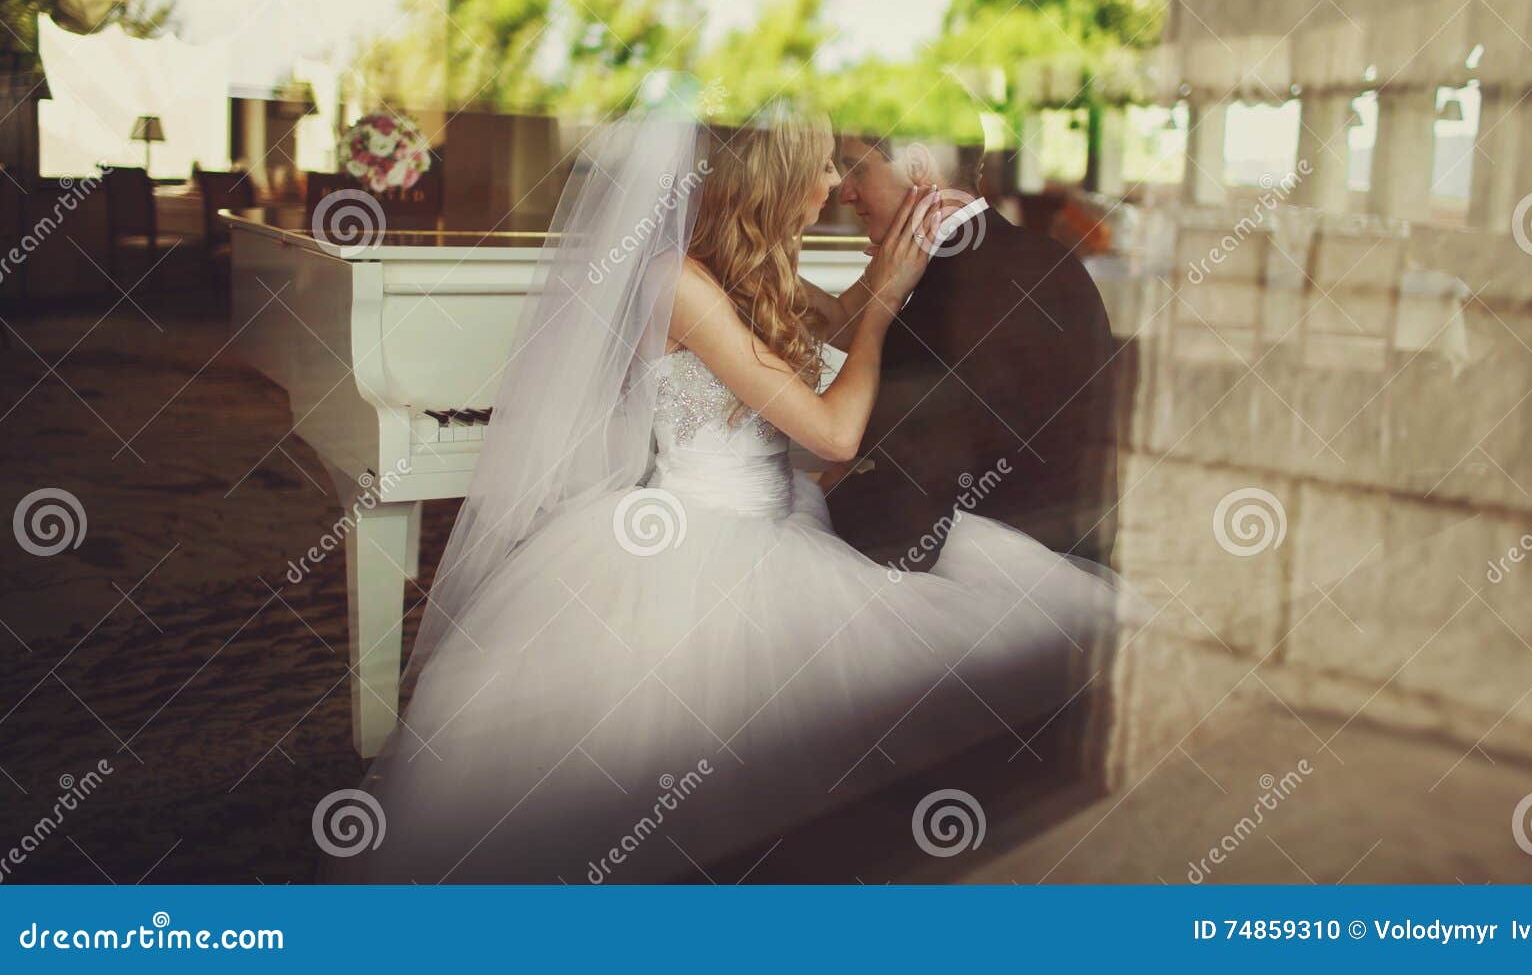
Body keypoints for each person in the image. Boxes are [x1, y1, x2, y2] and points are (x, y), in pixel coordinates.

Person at [319, 104, 1135, 885]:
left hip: (779, 522)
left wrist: (890, 276)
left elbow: (833, 324)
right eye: (820, 168)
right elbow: (835, 434)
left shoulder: (749, 271)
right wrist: (887, 302)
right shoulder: (682, 282)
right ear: (774, 179)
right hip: (698, 543)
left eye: (843, 167)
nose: (834, 188)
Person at [827, 133, 1121, 571]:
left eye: (857, 169)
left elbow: (865, 448)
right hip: (1066, 553)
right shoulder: (1038, 255)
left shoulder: (961, 289)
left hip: (977, 576)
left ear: (917, 166)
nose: (844, 191)